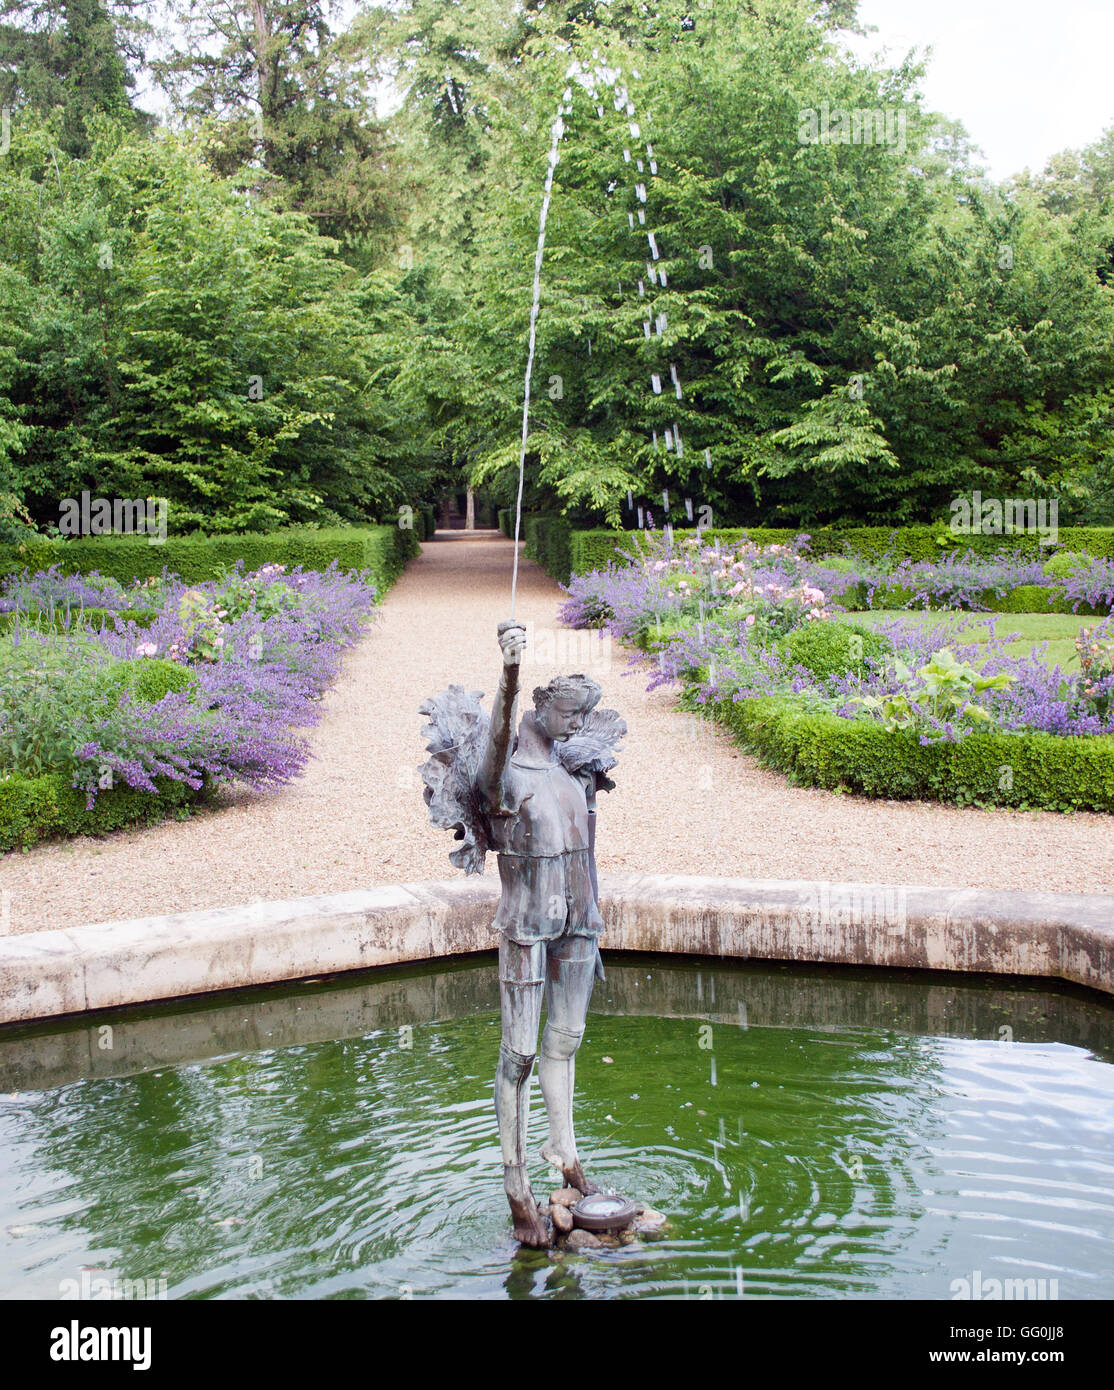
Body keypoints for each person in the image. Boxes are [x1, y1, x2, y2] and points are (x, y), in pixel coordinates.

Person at [419, 620, 624, 1248]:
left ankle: (567, 1159)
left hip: (578, 927)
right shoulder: (501, 775)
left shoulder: (568, 772)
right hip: (528, 930)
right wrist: (508, 671)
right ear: (542, 702)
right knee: (520, 1058)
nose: (575, 725)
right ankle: (518, 1194)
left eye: (582, 714)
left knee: (565, 1044)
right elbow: (500, 730)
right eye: (568, 712)